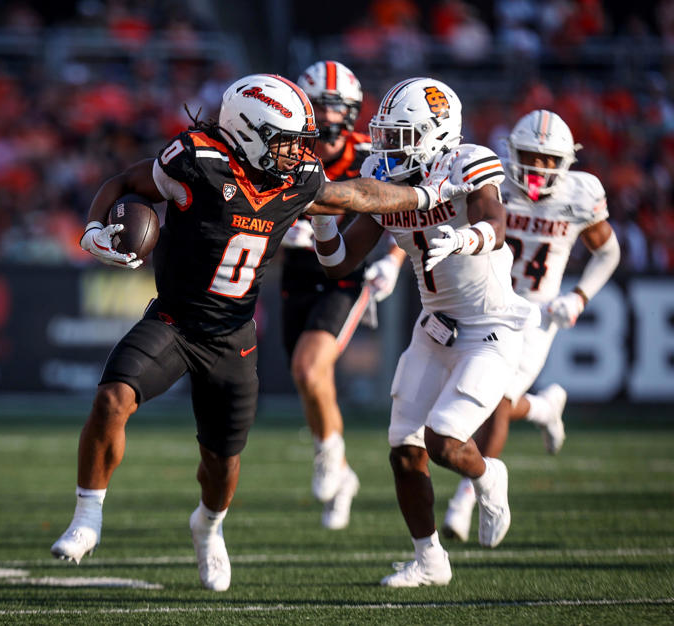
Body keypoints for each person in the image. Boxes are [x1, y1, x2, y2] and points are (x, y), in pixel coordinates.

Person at [49, 73, 469, 592]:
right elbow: (122, 184)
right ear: (248, 131)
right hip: (175, 320)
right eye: (285, 141)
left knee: (221, 465)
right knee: (112, 397)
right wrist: (94, 228)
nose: (298, 152)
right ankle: (88, 514)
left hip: (232, 335)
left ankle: (208, 526)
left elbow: (356, 194)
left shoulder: (297, 177)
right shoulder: (194, 161)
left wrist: (428, 194)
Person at [312, 76, 540, 587]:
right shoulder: (381, 173)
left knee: (443, 441)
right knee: (403, 448)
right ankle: (429, 559)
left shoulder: (468, 162)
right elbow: (341, 261)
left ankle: (488, 473)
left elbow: (496, 222)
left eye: (400, 135)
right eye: (384, 134)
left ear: (436, 134)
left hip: (490, 327)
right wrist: (324, 221)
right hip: (434, 326)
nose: (385, 147)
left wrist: (461, 240)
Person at [441, 109, 620, 542]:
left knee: (497, 401)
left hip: (535, 314)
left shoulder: (579, 195)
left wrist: (578, 296)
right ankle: (543, 408)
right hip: (485, 302)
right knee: (487, 398)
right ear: (512, 152)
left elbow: (608, 252)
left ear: (565, 162)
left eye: (547, 159)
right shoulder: (491, 185)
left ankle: (467, 497)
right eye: (529, 156)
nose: (538, 167)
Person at [281, 60, 406, 530]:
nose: (330, 117)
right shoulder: (284, 151)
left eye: (339, 107)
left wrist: (392, 263)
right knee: (311, 380)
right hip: (297, 271)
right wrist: (278, 235)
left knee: (309, 367)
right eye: (321, 106)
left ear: (354, 112)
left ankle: (330, 457)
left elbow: (403, 211)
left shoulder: (371, 156)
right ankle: (342, 468)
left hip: (346, 276)